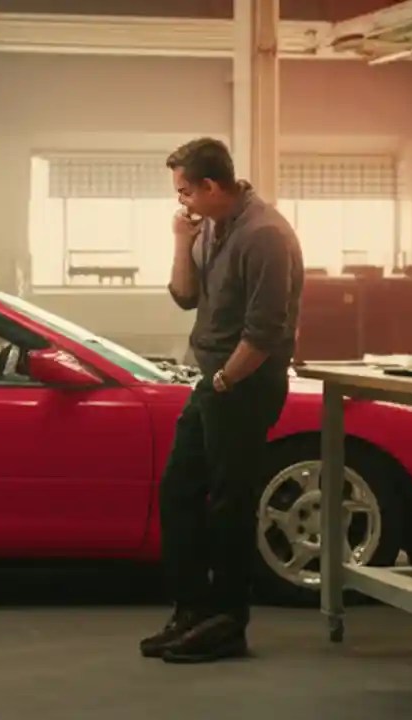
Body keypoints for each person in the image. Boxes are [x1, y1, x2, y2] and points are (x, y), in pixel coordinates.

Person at [139, 138, 304, 663]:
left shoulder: (266, 235)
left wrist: (226, 382)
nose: (181, 201)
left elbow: (265, 330)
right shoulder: (210, 227)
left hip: (245, 383)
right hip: (212, 380)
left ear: (213, 186)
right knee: (178, 490)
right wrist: (180, 240)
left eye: (187, 191)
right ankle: (193, 610)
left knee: (230, 504)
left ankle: (228, 622)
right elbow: (186, 296)